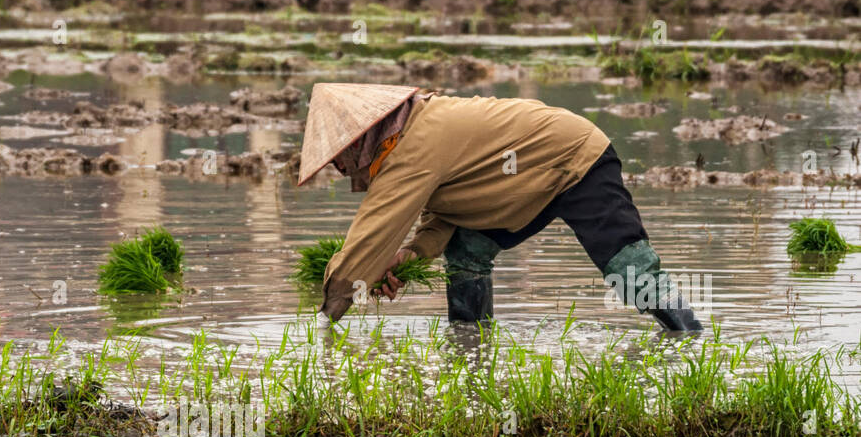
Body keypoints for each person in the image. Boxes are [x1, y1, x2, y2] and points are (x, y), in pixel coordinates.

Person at [296, 83, 702, 333]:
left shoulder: (415, 143)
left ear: (358, 142)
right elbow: (445, 214)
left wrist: (328, 313)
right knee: (466, 253)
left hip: (576, 158)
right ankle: (472, 349)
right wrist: (411, 255)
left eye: (338, 159)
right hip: (520, 182)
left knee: (628, 269)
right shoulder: (409, 139)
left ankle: (693, 341)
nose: (339, 168)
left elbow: (372, 234)